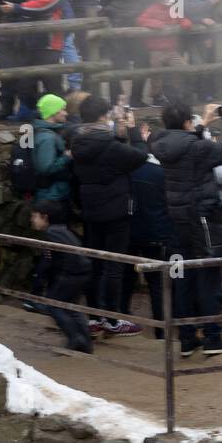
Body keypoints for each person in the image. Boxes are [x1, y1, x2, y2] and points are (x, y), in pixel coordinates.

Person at [151, 102, 222, 357]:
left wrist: (203, 122)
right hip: (200, 218)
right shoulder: (199, 148)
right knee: (208, 275)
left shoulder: (159, 143)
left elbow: (183, 142)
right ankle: (213, 336)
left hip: (176, 218)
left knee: (183, 277)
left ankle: (188, 338)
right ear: (186, 124)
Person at [70, 95, 150, 338]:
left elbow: (107, 152)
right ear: (104, 116)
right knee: (114, 265)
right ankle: (113, 320)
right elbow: (139, 156)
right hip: (116, 210)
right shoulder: (110, 146)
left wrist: (118, 133)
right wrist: (135, 133)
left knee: (95, 263)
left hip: (91, 209)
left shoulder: (77, 142)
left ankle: (94, 318)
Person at [29, 199, 93, 353]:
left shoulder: (51, 233)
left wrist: (38, 285)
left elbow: (47, 262)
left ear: (45, 217)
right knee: (71, 306)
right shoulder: (63, 229)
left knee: (54, 306)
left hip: (69, 273)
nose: (32, 220)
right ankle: (85, 341)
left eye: (34, 216)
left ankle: (76, 338)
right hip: (82, 271)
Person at [126, 151, 176, 338]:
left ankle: (120, 318)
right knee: (157, 285)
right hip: (156, 233)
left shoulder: (129, 170)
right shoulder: (162, 173)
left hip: (130, 232)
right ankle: (161, 330)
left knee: (126, 280)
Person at [136, 0, 193, 106]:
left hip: (171, 49)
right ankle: (156, 96)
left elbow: (181, 18)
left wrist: (186, 23)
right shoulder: (152, 9)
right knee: (156, 73)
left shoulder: (173, 8)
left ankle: (177, 91)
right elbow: (141, 20)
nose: (167, 0)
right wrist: (157, 25)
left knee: (182, 68)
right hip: (155, 50)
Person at [30, 93, 73, 206]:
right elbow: (46, 168)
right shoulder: (47, 138)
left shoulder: (47, 132)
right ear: (53, 112)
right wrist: (66, 157)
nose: (66, 113)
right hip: (51, 195)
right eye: (63, 109)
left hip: (54, 192)